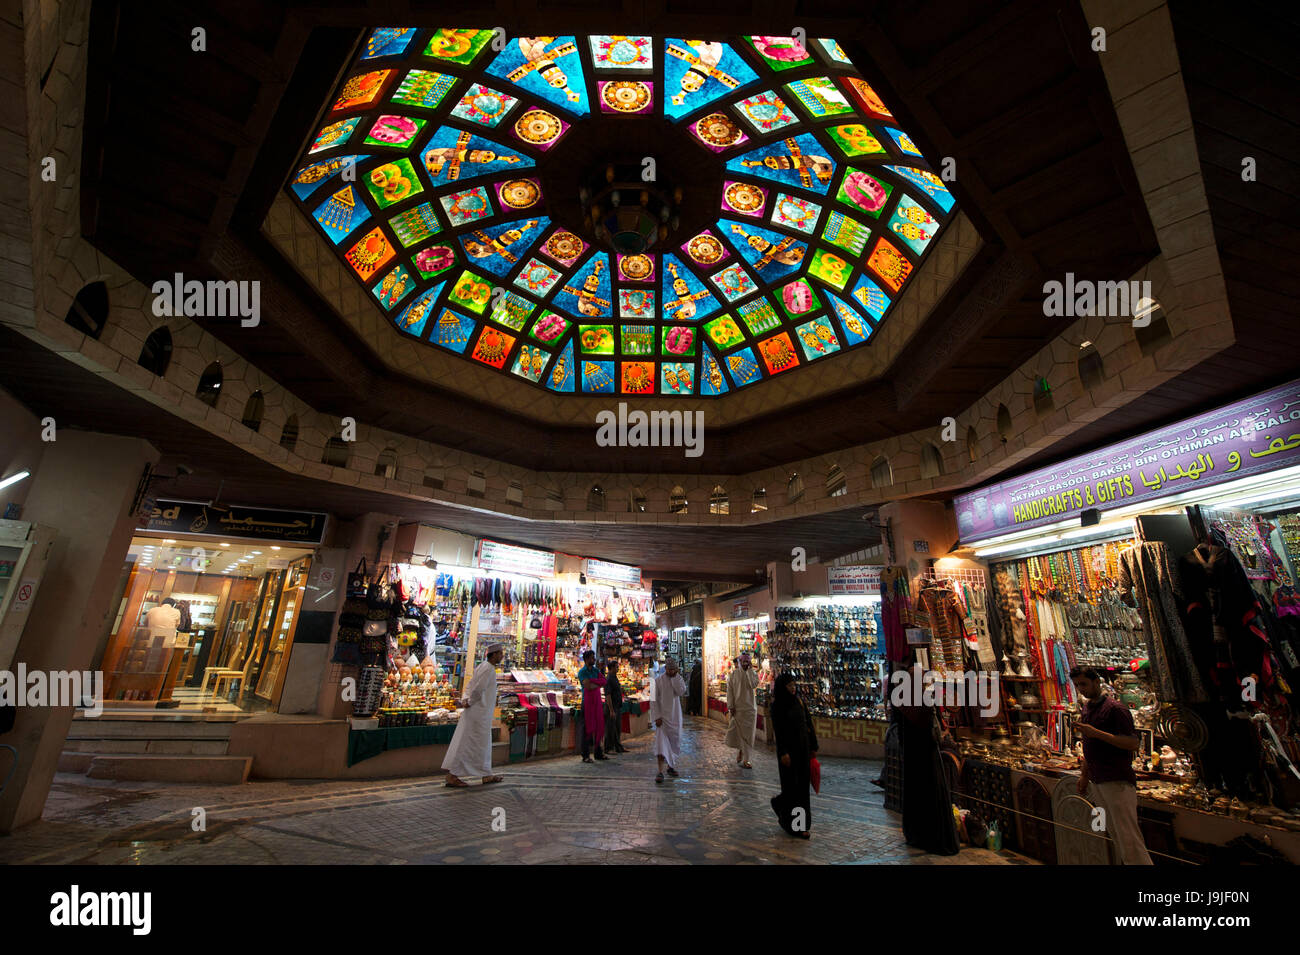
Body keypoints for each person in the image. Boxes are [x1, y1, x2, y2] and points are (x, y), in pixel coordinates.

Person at [1071, 666, 1153, 864]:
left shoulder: (1116, 709)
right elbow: (1090, 746)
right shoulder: (1088, 707)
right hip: (1098, 779)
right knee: (1116, 834)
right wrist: (1084, 776)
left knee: (1128, 837)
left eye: (1084, 684)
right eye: (1077, 685)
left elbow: (1132, 743)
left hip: (1117, 780)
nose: (1081, 689)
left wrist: (1096, 733)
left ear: (1096, 682)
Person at [898, 681, 959, 856]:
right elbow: (936, 735)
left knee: (916, 796)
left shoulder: (904, 705)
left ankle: (917, 834)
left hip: (912, 759)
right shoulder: (926, 705)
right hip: (929, 759)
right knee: (932, 796)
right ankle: (933, 835)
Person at [443, 643, 505, 787]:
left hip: (481, 713)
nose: (502, 656)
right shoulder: (488, 669)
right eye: (500, 653)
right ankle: (453, 775)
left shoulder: (483, 667)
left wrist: (466, 698)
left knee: (481, 744)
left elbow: (471, 685)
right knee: (469, 744)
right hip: (478, 712)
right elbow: (478, 689)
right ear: (494, 654)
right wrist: (469, 701)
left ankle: (486, 774)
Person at [769, 673, 817, 838]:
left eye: (794, 685)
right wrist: (783, 752)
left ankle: (801, 825)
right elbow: (779, 732)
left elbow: (808, 723)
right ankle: (793, 824)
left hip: (802, 750)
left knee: (802, 790)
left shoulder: (799, 702)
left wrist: (813, 745)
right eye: (789, 686)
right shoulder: (777, 706)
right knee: (792, 789)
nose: (793, 688)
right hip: (788, 753)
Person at [651, 657, 687, 784]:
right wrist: (657, 717)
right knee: (661, 746)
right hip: (662, 719)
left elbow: (681, 691)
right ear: (665, 668)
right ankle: (660, 771)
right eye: (669, 669)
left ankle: (671, 767)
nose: (671, 671)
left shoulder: (678, 679)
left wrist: (676, 677)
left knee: (674, 744)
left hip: (675, 717)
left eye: (673, 669)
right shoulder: (656, 681)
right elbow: (653, 700)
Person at [725, 652, 759, 768]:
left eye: (747, 662)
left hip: (750, 709)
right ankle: (741, 751)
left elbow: (753, 685)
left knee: (749, 735)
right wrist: (731, 706)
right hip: (738, 709)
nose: (745, 664)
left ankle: (746, 759)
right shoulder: (733, 675)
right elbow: (730, 692)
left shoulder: (753, 674)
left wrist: (749, 671)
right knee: (740, 733)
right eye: (743, 662)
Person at [578, 650, 609, 763]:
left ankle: (598, 753)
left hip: (596, 702)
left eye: (594, 657)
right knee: (586, 729)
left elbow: (603, 681)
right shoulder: (582, 672)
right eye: (592, 658)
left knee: (599, 727)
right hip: (586, 703)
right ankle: (585, 755)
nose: (594, 659)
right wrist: (597, 683)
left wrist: (592, 682)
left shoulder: (596, 670)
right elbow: (588, 686)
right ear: (586, 659)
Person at [604, 657, 627, 754]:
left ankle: (618, 746)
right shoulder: (609, 679)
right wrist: (611, 710)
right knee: (610, 728)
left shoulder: (614, 677)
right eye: (616, 667)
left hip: (617, 706)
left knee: (617, 728)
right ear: (612, 668)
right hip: (612, 707)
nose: (618, 669)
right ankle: (608, 748)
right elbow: (608, 695)